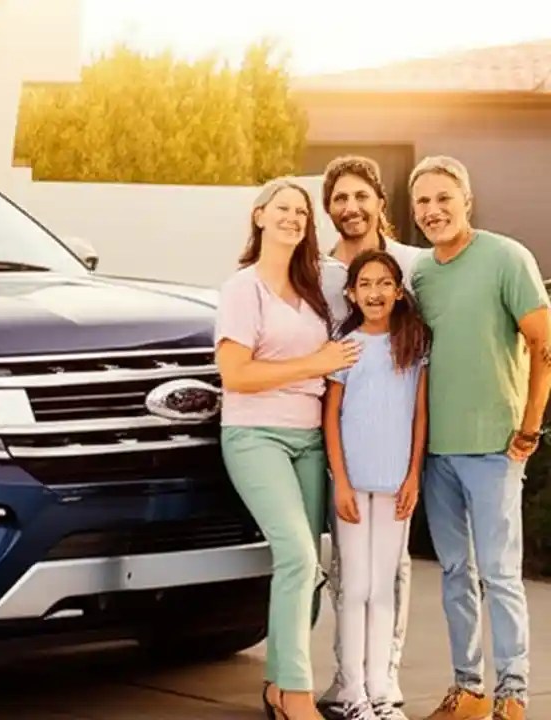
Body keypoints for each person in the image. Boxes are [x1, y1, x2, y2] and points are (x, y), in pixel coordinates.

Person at [215, 177, 361, 720]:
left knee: (307, 566)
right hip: (256, 436)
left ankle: (279, 685)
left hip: (309, 440)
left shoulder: (313, 290)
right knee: (298, 555)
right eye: (282, 208)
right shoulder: (242, 289)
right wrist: (314, 364)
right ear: (259, 216)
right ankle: (298, 694)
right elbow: (236, 374)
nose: (293, 217)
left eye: (301, 211)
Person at [410, 156, 550, 720]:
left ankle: (512, 694)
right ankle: (467, 689)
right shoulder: (421, 273)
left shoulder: (506, 257)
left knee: (500, 573)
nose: (433, 210)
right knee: (454, 574)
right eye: (423, 201)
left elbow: (544, 345)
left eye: (444, 198)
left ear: (467, 201)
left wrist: (530, 425)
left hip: (495, 447)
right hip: (437, 452)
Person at [314, 156, 427, 719]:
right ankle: (351, 686)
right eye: (340, 198)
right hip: (352, 464)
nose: (351, 207)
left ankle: (383, 686)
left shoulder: (412, 267)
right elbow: (331, 406)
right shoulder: (321, 277)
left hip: (394, 467)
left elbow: (419, 405)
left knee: (387, 579)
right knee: (350, 578)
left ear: (381, 201)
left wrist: (414, 473)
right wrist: (339, 476)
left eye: (361, 195)